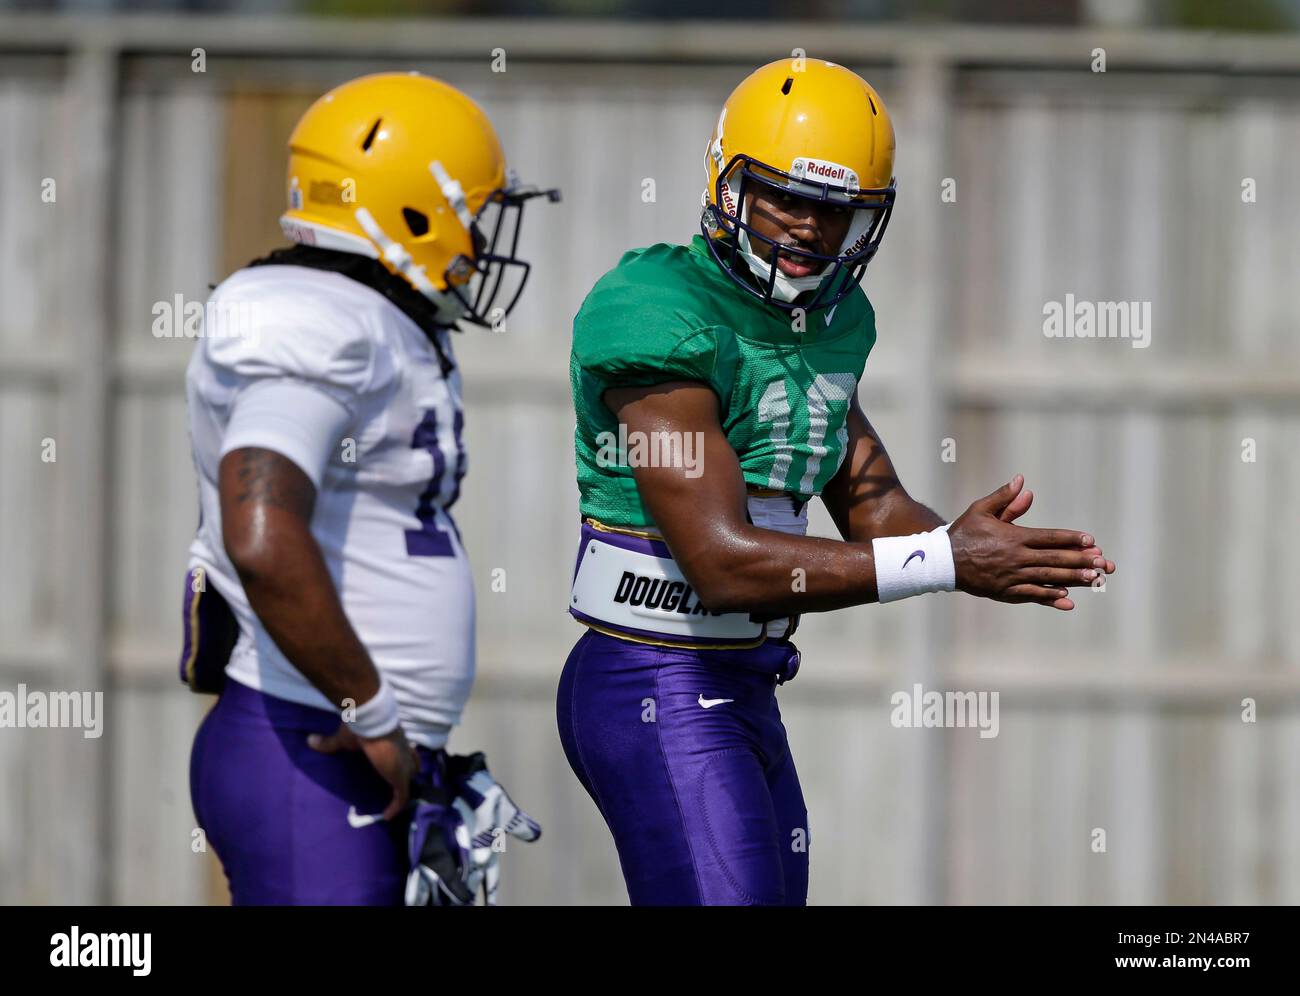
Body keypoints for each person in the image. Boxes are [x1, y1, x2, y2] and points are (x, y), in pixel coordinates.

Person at [557, 58, 1116, 906]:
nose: (810, 228)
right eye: (786, 198)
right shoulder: (656, 306)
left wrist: (973, 545)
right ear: (727, 182)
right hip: (653, 677)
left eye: (835, 210)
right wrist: (947, 561)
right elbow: (719, 563)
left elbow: (872, 505)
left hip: (745, 680)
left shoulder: (830, 320)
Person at [181, 72, 553, 905]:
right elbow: (262, 535)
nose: (480, 244)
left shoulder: (371, 315)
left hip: (341, 749)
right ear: (413, 210)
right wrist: (374, 711)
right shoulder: (318, 321)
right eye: (472, 215)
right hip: (310, 746)